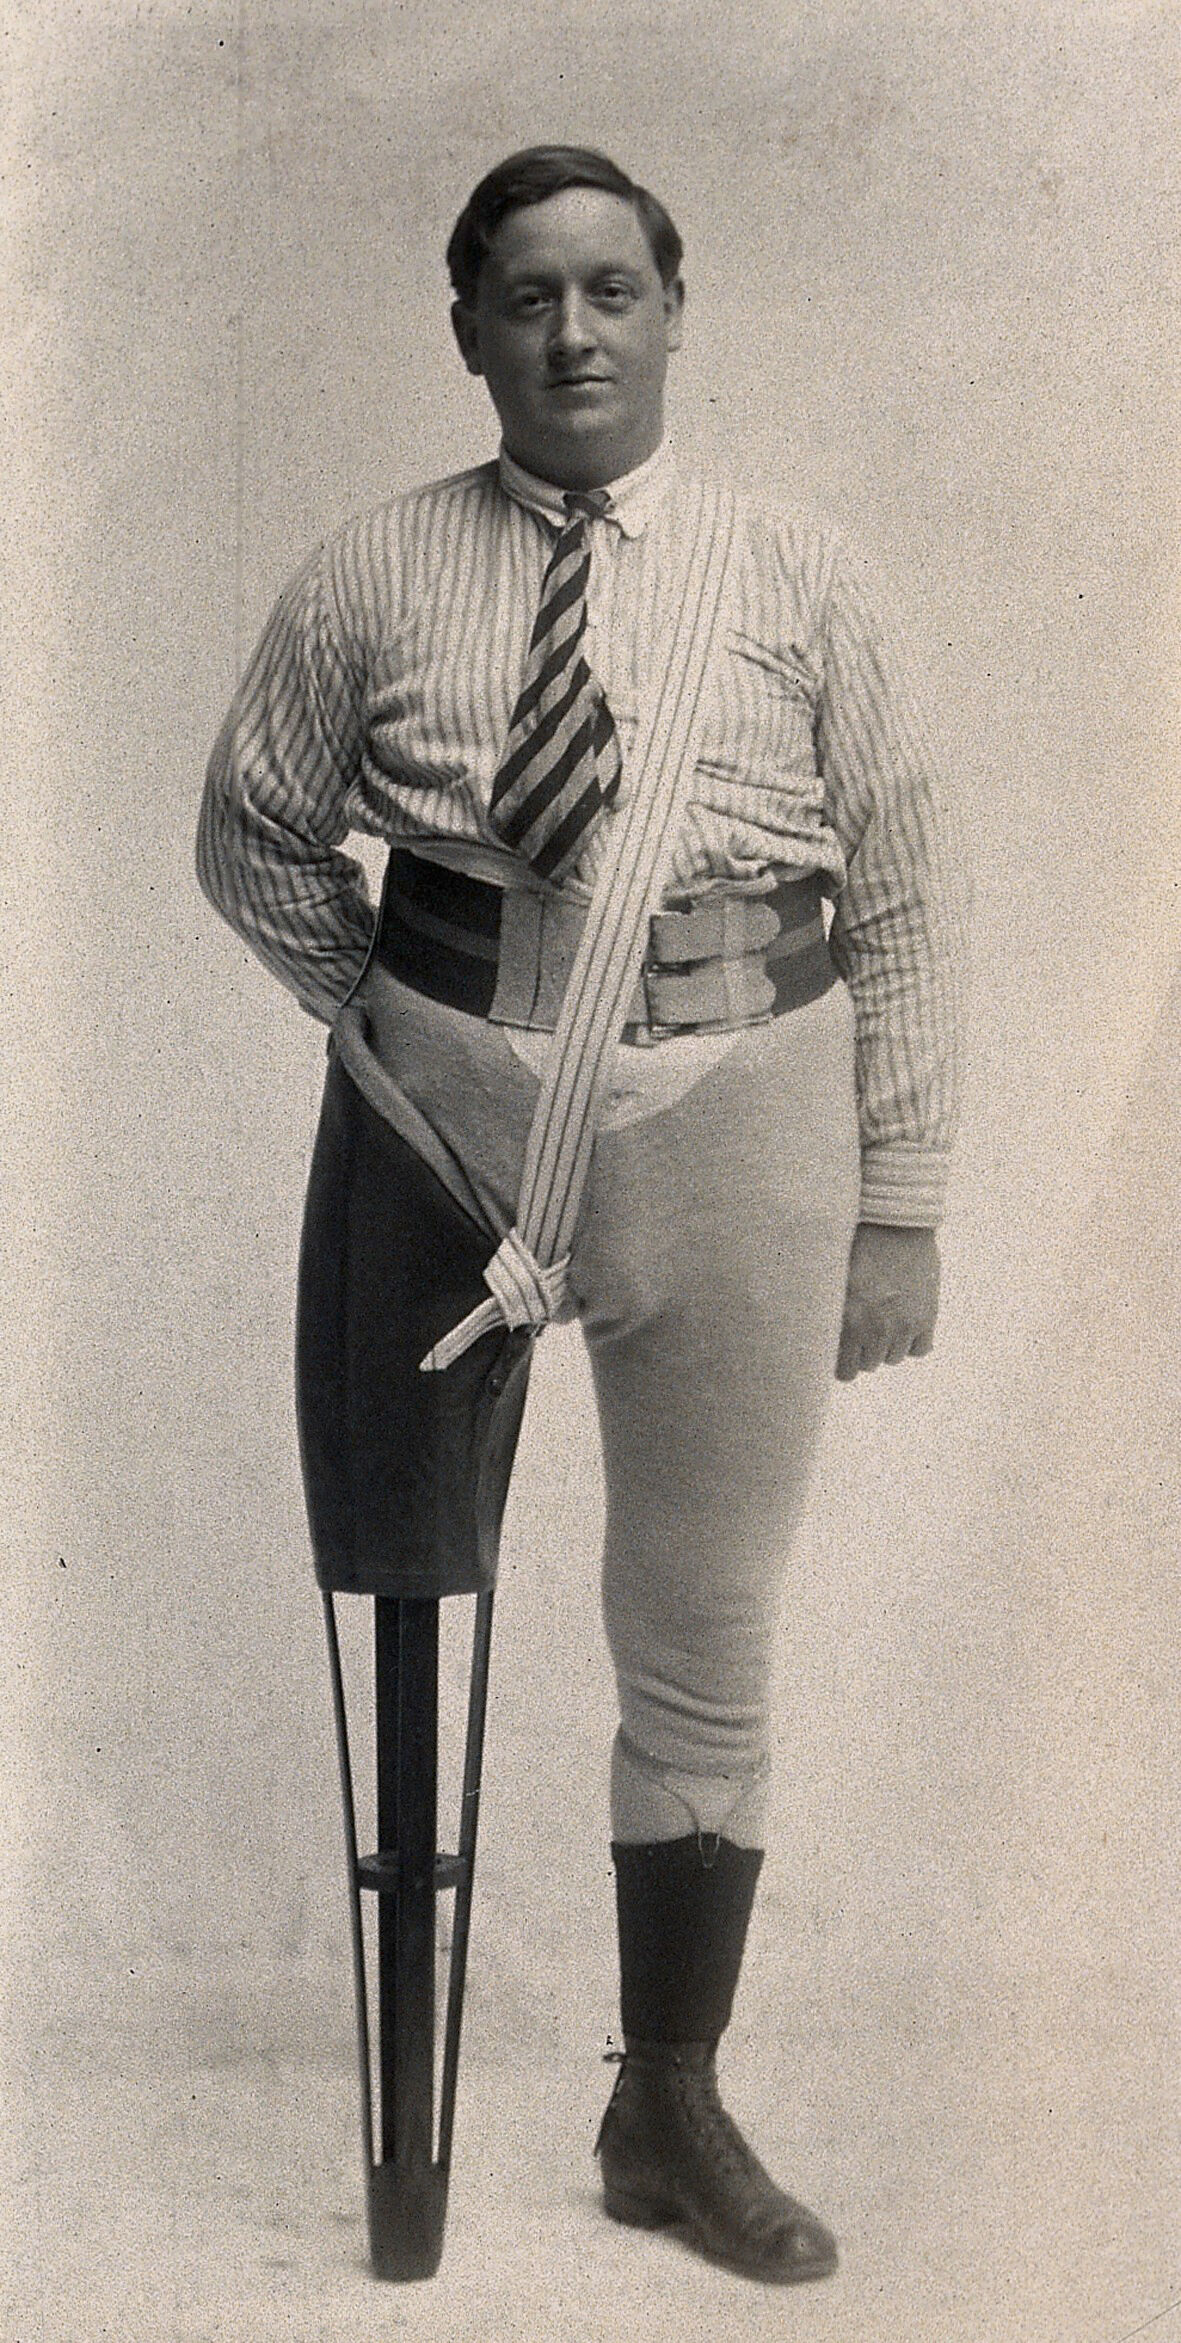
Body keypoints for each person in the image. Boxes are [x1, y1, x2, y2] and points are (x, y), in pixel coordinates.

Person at [197, 144, 967, 2285]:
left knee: (703, 1623)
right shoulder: (371, 572)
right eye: (527, 294)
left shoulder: (799, 568)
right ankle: (404, 2145)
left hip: (747, 1104)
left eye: (613, 288)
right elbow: (253, 824)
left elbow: (904, 880)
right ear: (466, 329)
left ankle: (672, 2099)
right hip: (447, 1112)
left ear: (672, 309)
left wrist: (899, 1197)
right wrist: (396, 1018)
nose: (574, 331)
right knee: (410, 1596)